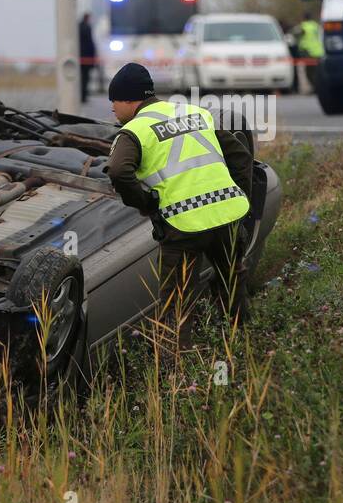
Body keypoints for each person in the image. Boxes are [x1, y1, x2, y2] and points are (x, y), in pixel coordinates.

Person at [106, 63, 253, 357]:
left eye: (114, 102)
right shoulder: (197, 113)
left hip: (183, 224)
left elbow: (118, 171)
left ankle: (177, 375)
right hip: (227, 218)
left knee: (176, 305)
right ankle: (243, 350)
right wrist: (237, 194)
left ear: (130, 100)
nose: (112, 109)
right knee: (232, 286)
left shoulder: (133, 131)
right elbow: (241, 155)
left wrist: (146, 204)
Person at [294, 10, 324, 94]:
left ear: (304, 18)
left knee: (309, 73)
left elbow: (296, 34)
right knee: (317, 72)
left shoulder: (303, 26)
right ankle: (318, 88)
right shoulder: (316, 25)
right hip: (318, 51)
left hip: (309, 52)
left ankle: (315, 88)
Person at [78, 13, 97, 104]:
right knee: (85, 78)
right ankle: (83, 96)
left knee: (82, 78)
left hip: (80, 57)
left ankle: (82, 96)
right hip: (86, 58)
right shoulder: (86, 28)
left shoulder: (79, 27)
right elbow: (90, 44)